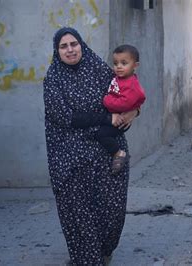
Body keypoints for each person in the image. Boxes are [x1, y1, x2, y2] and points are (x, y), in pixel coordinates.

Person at [43, 27, 139, 264]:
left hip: (108, 153)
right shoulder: (53, 80)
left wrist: (134, 111)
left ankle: (103, 250)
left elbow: (127, 93)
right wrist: (107, 119)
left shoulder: (99, 70)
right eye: (63, 46)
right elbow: (64, 117)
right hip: (70, 158)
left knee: (112, 212)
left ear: (81, 45)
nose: (70, 50)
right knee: (79, 214)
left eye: (74, 44)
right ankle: (87, 258)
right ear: (57, 51)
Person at [100, 44, 146, 174]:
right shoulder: (120, 78)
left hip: (122, 119)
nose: (118, 66)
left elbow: (124, 104)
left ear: (135, 66)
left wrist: (106, 100)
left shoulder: (131, 84)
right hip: (115, 115)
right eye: (115, 63)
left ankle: (118, 153)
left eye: (124, 63)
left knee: (101, 134)